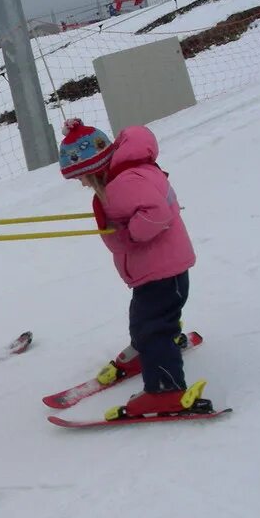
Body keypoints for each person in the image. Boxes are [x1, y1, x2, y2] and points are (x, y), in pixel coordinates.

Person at [58, 118, 211, 419]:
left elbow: (156, 212)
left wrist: (130, 233)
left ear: (94, 169)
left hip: (159, 270)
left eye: (82, 177)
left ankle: (165, 391)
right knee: (152, 318)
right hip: (167, 268)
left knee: (151, 325)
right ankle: (156, 346)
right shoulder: (130, 174)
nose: (82, 184)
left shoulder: (123, 185)